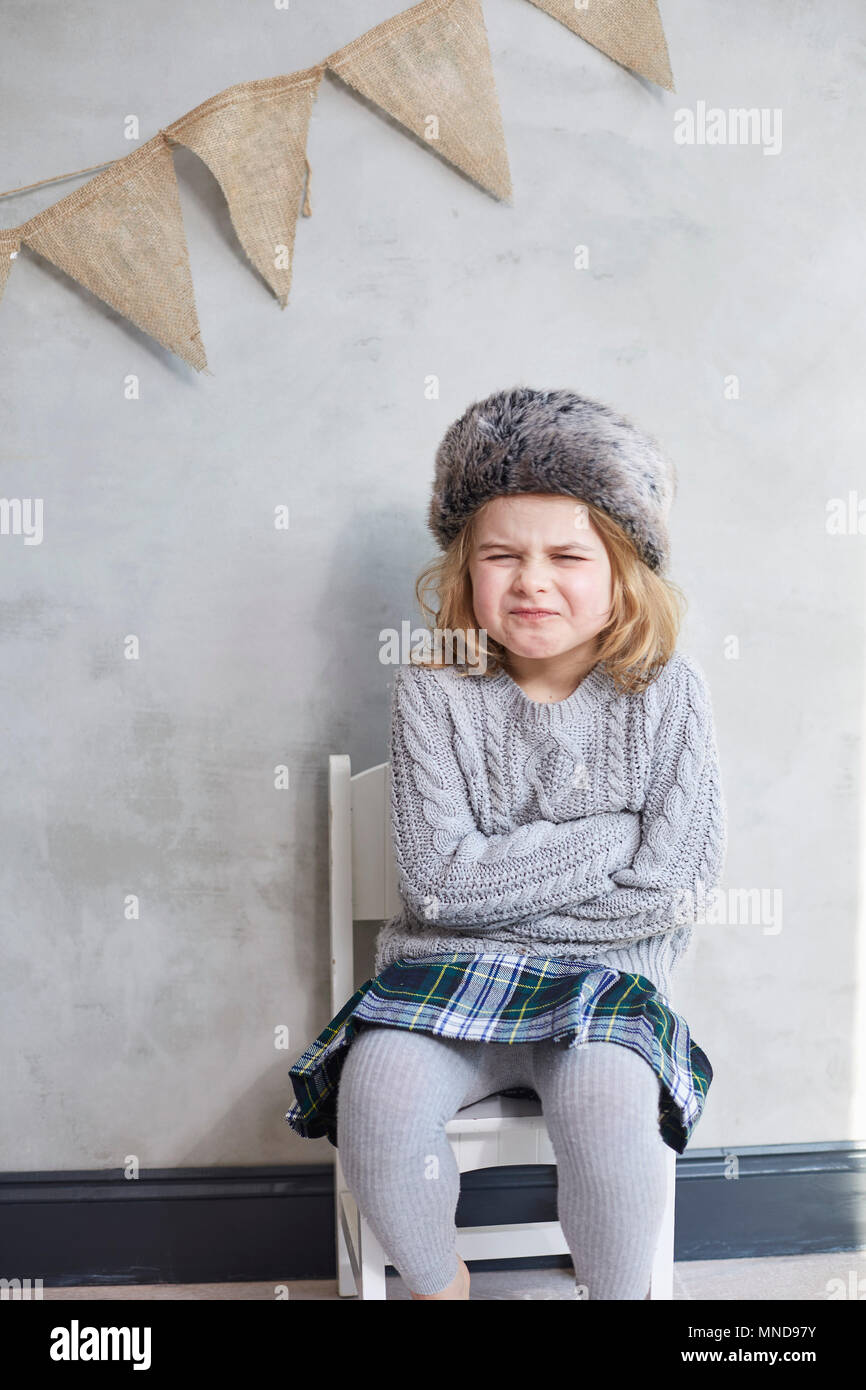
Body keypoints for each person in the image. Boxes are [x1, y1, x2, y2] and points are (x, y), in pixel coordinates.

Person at [285, 385, 728, 1300]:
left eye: (567, 554)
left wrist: (514, 865)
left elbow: (672, 889)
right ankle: (441, 1287)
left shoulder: (669, 696)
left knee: (612, 1120)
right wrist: (612, 835)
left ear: (623, 573)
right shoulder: (434, 693)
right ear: (464, 571)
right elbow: (440, 885)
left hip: (608, 984)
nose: (532, 580)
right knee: (376, 1102)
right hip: (444, 976)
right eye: (501, 555)